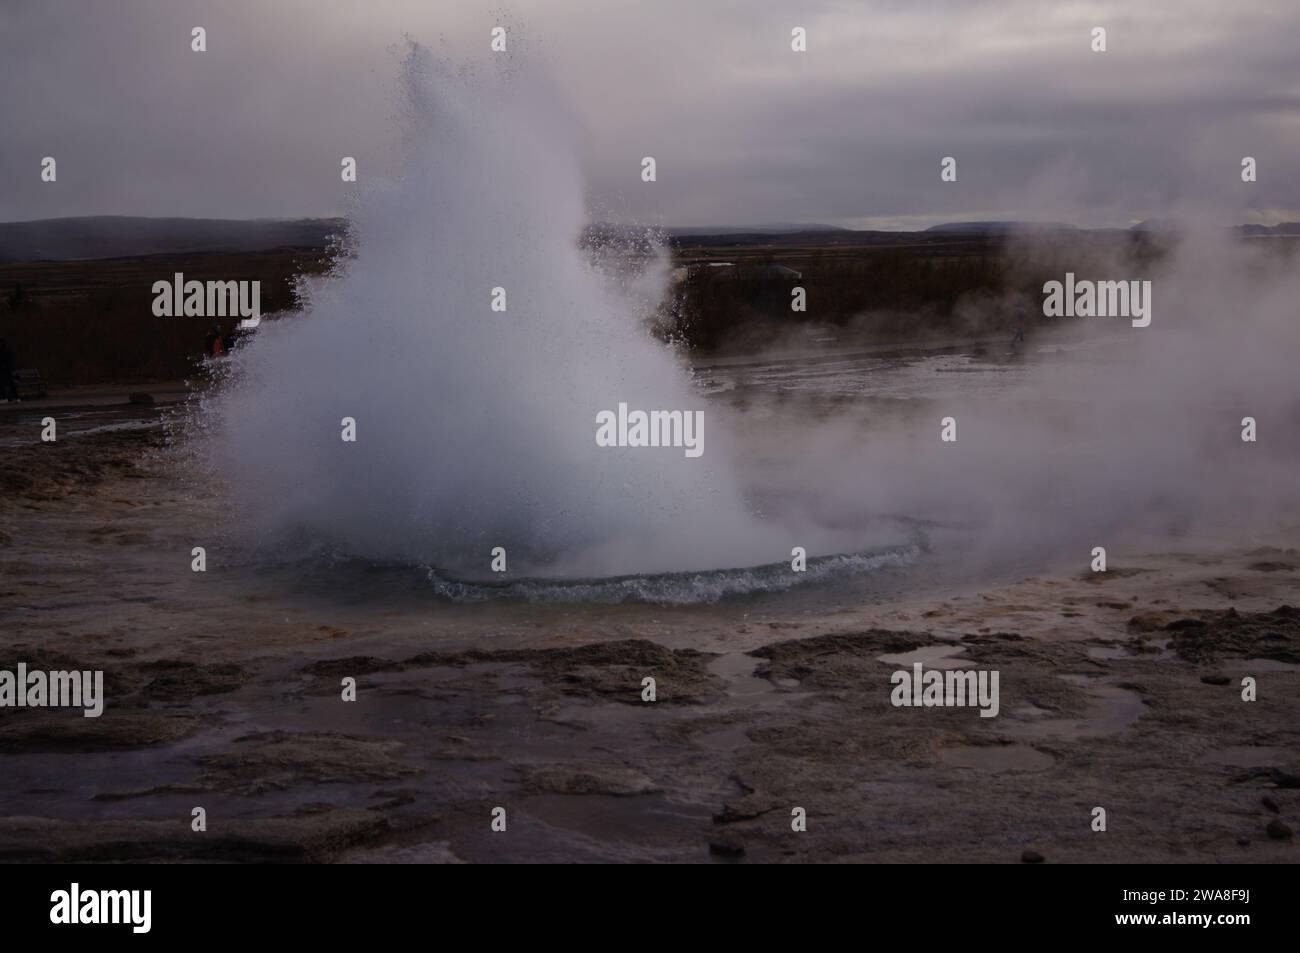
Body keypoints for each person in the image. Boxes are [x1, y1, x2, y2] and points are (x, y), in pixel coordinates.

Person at [0, 337, 16, 402]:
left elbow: (7, 360)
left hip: (5, 369)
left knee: (6, 384)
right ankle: (10, 397)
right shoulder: (7, 350)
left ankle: (6, 397)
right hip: (6, 369)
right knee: (8, 384)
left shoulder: (5, 351)